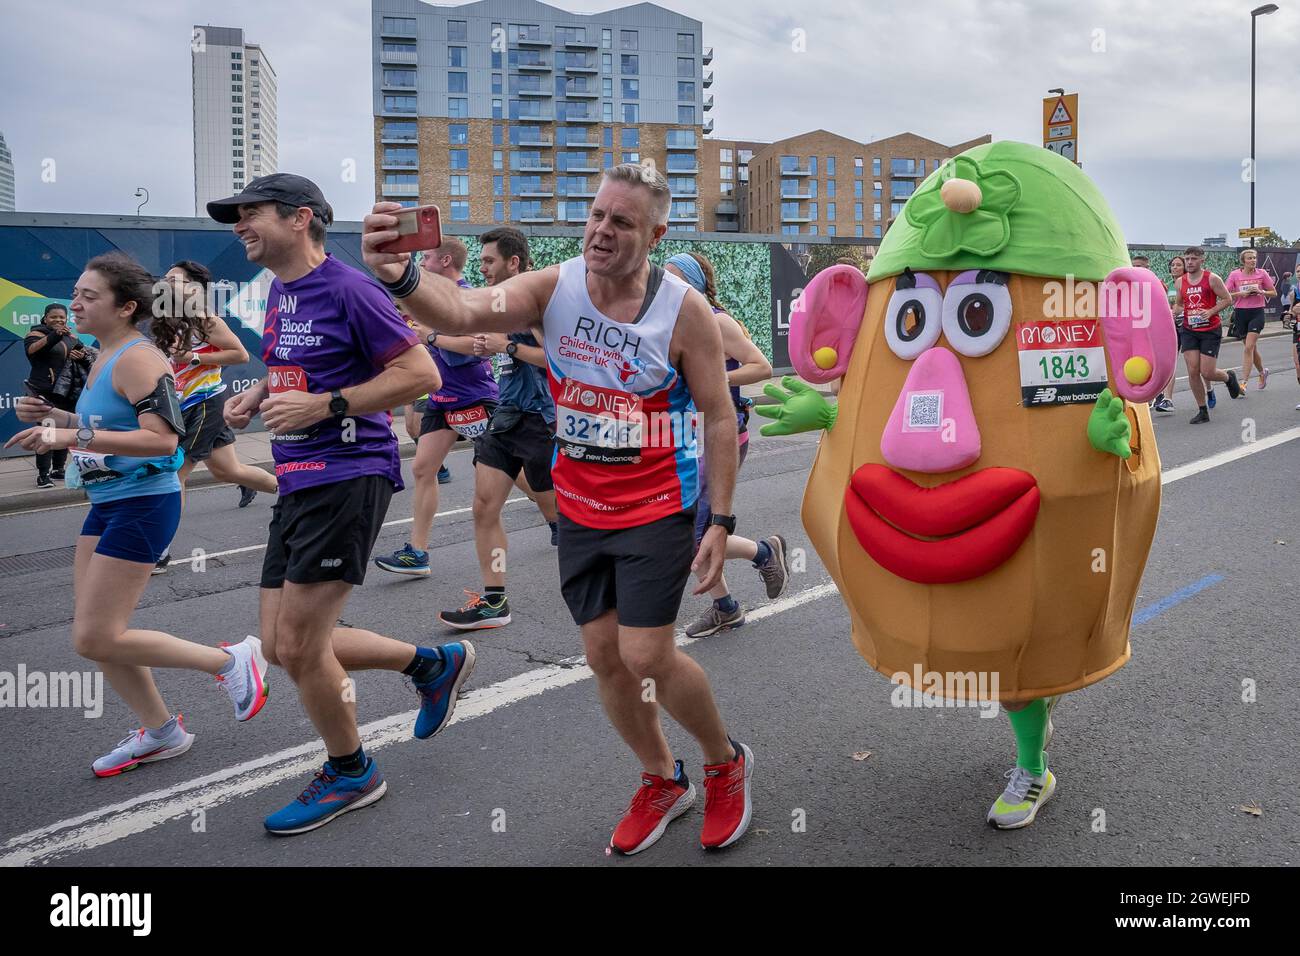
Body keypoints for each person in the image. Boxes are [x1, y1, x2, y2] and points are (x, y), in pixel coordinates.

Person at [364, 163, 755, 854]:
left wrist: (721, 521)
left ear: (656, 233)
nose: (603, 231)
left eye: (623, 222)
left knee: (646, 651)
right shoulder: (557, 287)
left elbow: (720, 418)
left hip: (659, 504)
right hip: (582, 508)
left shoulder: (683, 310)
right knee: (604, 657)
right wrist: (401, 278)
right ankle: (662, 777)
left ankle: (726, 761)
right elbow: (462, 310)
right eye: (597, 215)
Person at [210, 173, 475, 835]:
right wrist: (260, 392)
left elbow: (422, 374)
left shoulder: (351, 288)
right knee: (279, 645)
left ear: (300, 219)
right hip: (301, 477)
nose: (239, 225)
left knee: (300, 646)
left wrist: (323, 406)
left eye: (251, 214)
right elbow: (303, 365)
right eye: (235, 216)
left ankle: (352, 771)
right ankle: (431, 663)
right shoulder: (281, 291)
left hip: (347, 474)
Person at [6, 252, 269, 776]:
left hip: (144, 503)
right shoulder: (105, 355)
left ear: (126, 306)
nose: (75, 303)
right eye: (75, 293)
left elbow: (161, 441)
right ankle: (161, 731)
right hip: (107, 502)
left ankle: (231, 661)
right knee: (96, 632)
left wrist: (68, 434)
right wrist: (51, 416)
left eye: (89, 296)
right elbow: (107, 423)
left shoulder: (138, 357)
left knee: (94, 636)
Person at [435, 227, 559, 630]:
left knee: (571, 513)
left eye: (489, 261)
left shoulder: (537, 303)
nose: (482, 268)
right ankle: (494, 601)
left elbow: (558, 362)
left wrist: (507, 347)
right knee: (483, 508)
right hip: (506, 417)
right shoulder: (495, 306)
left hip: (543, 420)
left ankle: (613, 567)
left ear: (514, 262)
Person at [664, 252, 790, 638]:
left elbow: (761, 366)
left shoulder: (716, 322)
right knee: (687, 532)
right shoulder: (672, 324)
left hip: (720, 437)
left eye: (673, 280)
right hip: (687, 438)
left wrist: (713, 381)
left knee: (694, 534)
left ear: (693, 286)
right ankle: (731, 600)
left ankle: (753, 570)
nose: (665, 287)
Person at [375, 238, 498, 576]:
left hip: (476, 397)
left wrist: (430, 337)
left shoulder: (466, 296)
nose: (423, 263)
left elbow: (479, 346)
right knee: (421, 469)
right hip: (442, 400)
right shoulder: (430, 298)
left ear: (445, 260)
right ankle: (418, 554)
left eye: (426, 257)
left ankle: (558, 516)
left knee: (514, 472)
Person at [148, 260, 280, 574]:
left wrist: (193, 355)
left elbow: (240, 354)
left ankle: (159, 551)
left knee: (174, 474)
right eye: (165, 278)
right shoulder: (167, 320)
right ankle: (296, 493)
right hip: (180, 404)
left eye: (175, 279)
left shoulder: (204, 319)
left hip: (205, 401)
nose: (166, 283)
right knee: (227, 470)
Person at [24, 303, 93, 487]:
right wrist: (56, 334)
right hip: (44, 392)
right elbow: (33, 351)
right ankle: (42, 475)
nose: (58, 320)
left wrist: (82, 357)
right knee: (46, 432)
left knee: (64, 431)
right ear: (45, 318)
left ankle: (58, 469)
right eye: (54, 317)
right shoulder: (34, 335)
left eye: (62, 317)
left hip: (67, 393)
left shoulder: (71, 337)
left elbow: (86, 357)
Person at [1172, 246, 1242, 423]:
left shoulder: (1211, 278)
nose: (1189, 262)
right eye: (1187, 259)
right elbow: (1179, 305)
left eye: (1193, 259)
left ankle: (1228, 377)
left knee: (1207, 372)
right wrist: (1176, 312)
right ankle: (1202, 410)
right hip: (1189, 330)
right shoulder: (1180, 281)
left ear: (1202, 260)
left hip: (1210, 330)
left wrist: (1211, 311)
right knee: (1193, 370)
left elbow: (1228, 299)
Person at [1225, 247, 1276, 390]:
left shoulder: (1262, 273)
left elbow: (1274, 293)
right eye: (1249, 258)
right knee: (1251, 349)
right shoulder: (1235, 275)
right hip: (1241, 314)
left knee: (1248, 347)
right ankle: (1262, 372)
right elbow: (1225, 293)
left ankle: (1244, 383)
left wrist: (1261, 291)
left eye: (1254, 258)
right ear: (1243, 261)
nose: (1253, 260)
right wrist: (1241, 294)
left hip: (1257, 313)